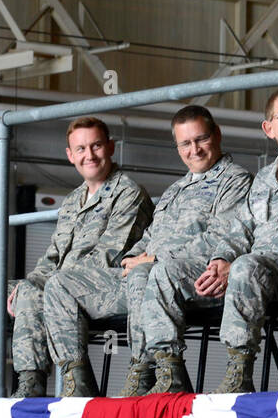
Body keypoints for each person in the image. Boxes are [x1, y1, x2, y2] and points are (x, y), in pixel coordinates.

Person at [135, 86, 278, 394]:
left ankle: (239, 373)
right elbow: (240, 228)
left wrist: (240, 263)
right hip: (256, 272)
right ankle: (169, 374)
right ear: (269, 128)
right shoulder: (264, 178)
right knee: (164, 273)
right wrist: (221, 260)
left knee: (247, 267)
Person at [41, 106, 251, 397]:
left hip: (194, 281)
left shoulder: (235, 181)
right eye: (185, 143)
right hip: (145, 279)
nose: (194, 150)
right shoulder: (176, 189)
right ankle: (77, 385)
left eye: (200, 140)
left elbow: (223, 237)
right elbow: (150, 236)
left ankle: (149, 372)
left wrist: (155, 260)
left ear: (217, 135)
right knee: (61, 285)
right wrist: (133, 256)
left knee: (145, 272)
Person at [0, 117, 152, 401]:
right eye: (80, 149)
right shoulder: (73, 200)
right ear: (70, 155)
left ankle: (30, 385)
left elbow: (109, 255)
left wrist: (44, 285)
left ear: (111, 147)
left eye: (96, 146)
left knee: (37, 290)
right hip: (60, 283)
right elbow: (52, 255)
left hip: (103, 287)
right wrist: (28, 283)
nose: (89, 155)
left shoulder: (128, 193)